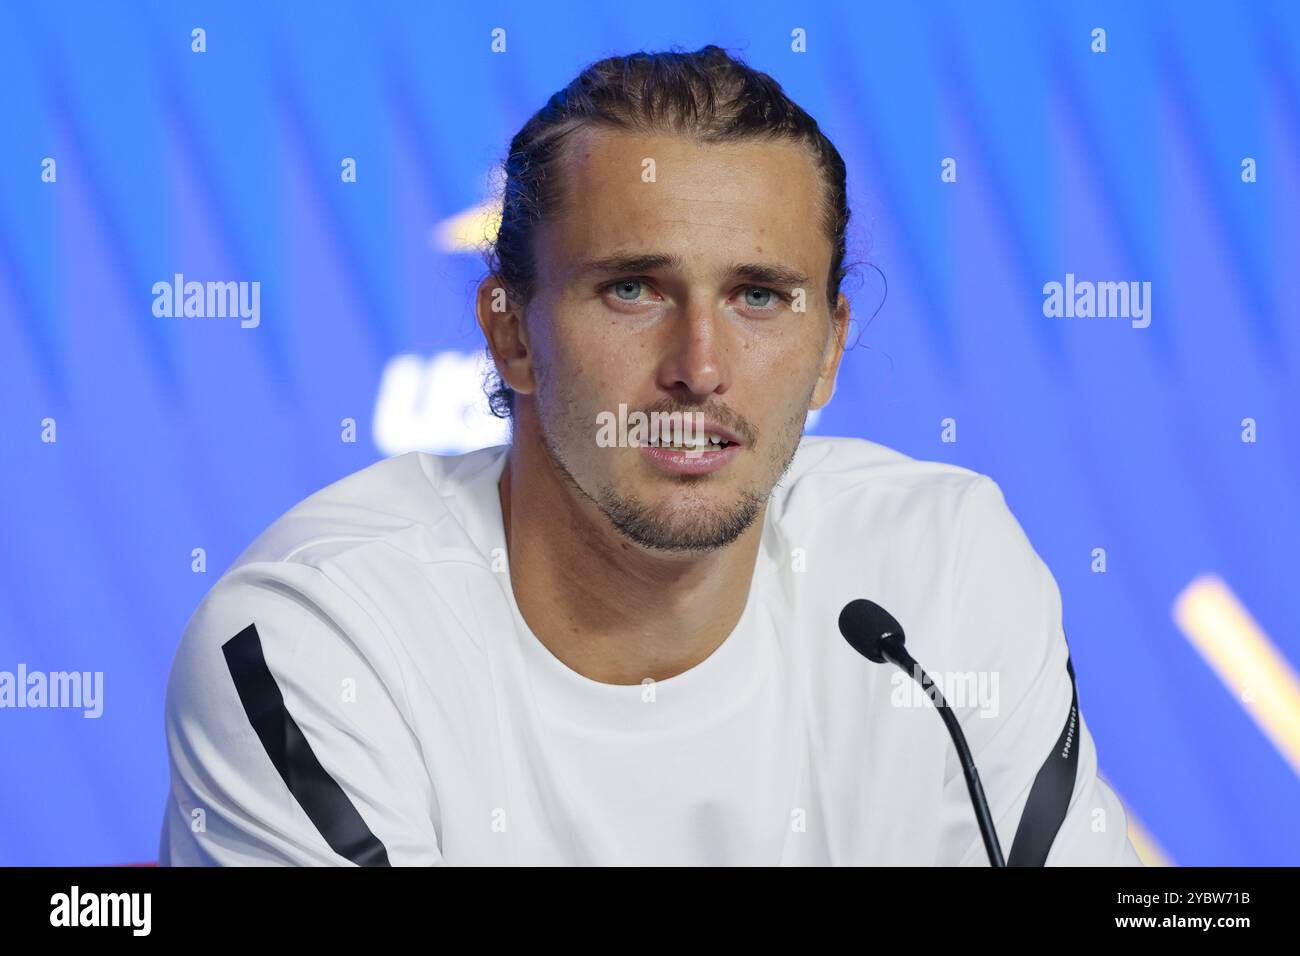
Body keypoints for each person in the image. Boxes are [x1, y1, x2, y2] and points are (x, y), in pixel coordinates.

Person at [159, 44, 1142, 866]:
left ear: (830, 348)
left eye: (759, 295)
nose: (700, 367)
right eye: (634, 289)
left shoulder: (943, 572)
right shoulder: (319, 644)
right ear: (509, 332)